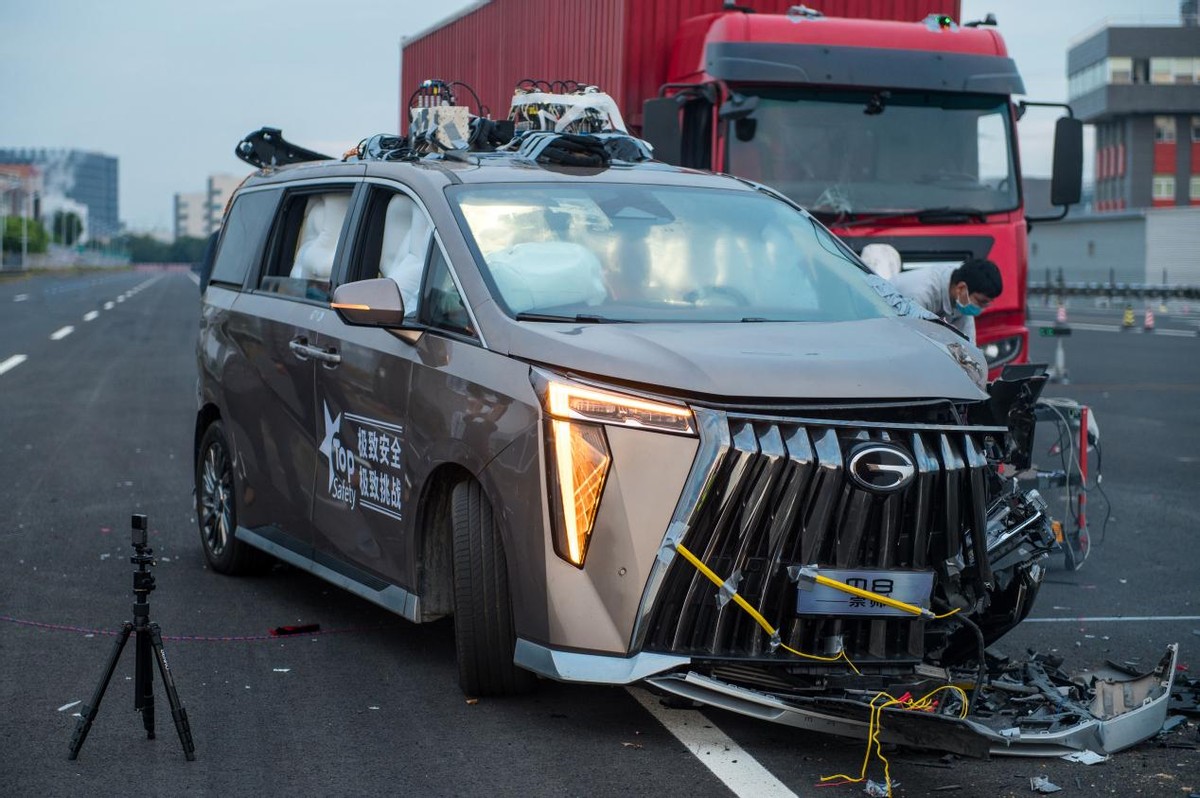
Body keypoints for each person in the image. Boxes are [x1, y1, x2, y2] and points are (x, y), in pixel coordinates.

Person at [889, 258, 1002, 344]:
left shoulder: (962, 299)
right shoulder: (921, 294)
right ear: (961, 288)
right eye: (980, 301)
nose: (981, 308)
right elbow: (911, 342)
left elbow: (968, 346)